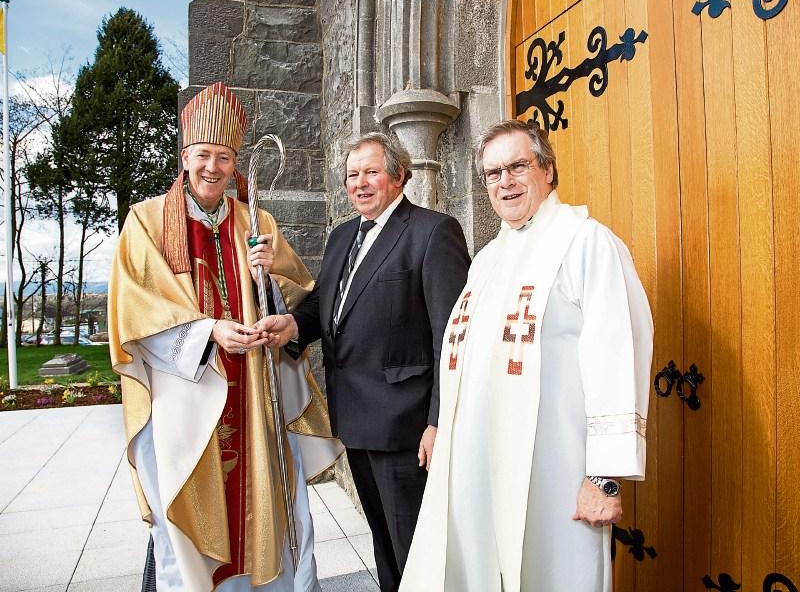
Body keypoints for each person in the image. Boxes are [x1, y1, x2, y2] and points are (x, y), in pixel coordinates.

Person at [399, 119, 654, 592]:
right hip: (478, 467)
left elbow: (618, 357)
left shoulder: (586, 243)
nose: (506, 182)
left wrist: (604, 477)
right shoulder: (487, 259)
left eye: (518, 166)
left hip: (554, 470)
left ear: (548, 170)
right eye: (493, 174)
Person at [108, 81, 343, 592]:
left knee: (265, 503)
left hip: (254, 395)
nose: (212, 167)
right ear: (184, 157)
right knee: (188, 520)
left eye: (223, 157)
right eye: (202, 155)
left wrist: (267, 277)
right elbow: (135, 310)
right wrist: (208, 331)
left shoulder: (256, 221)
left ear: (236, 163)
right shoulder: (146, 222)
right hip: (186, 398)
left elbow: (297, 302)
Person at [259, 132, 470, 592]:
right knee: (385, 545)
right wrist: (291, 326)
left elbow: (452, 338)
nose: (360, 183)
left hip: (408, 428)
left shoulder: (433, 232)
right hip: (355, 419)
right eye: (352, 175)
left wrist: (439, 422)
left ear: (398, 176)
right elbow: (326, 307)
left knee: (418, 550)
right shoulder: (341, 237)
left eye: (371, 172)